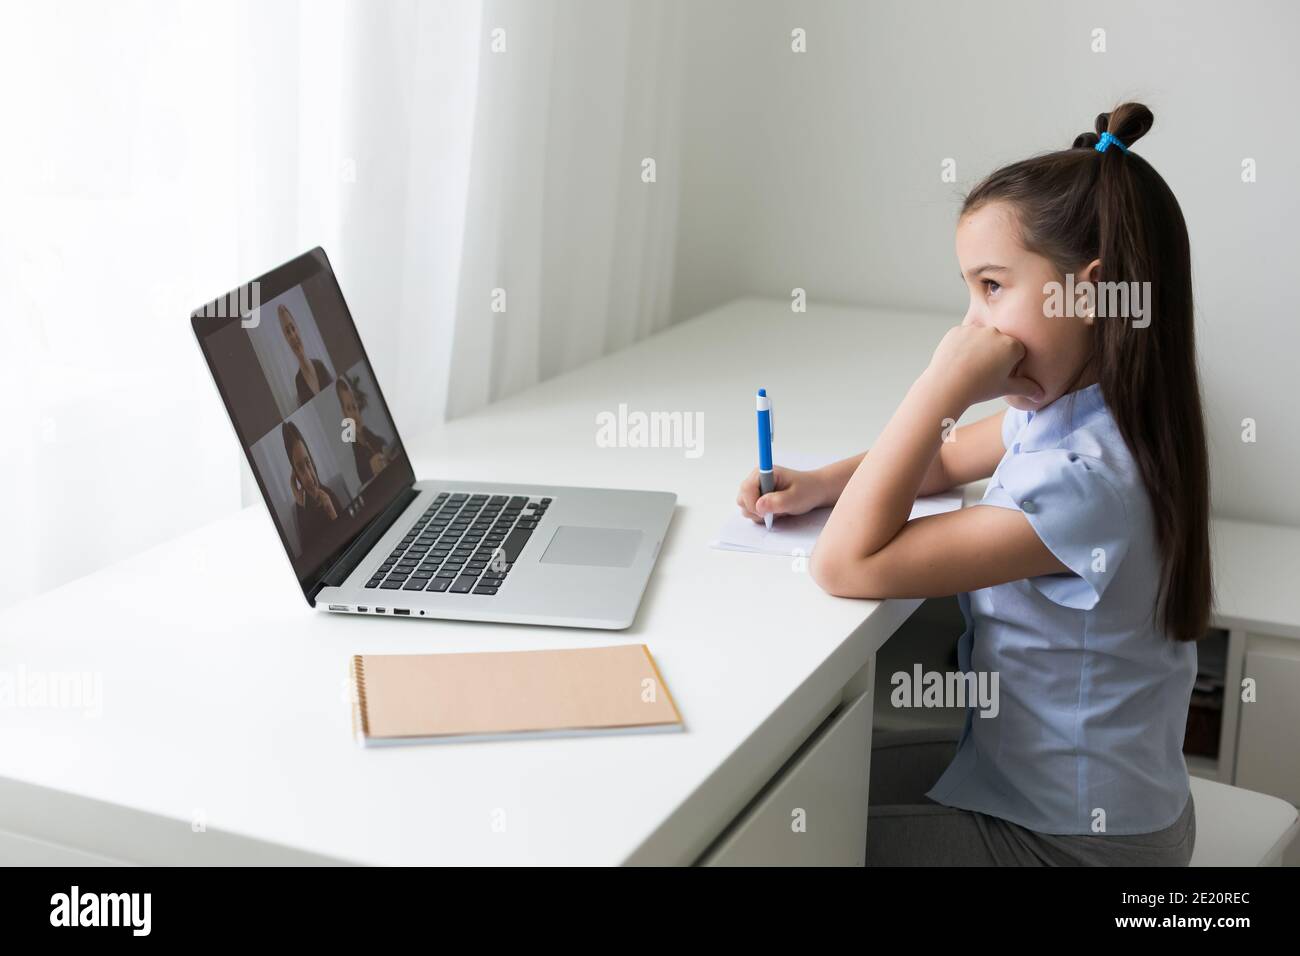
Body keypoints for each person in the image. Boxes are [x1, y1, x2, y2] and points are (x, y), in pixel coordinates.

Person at [736, 104, 1206, 866]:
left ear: (1088, 295)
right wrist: (821, 483)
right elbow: (945, 461)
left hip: (1074, 844)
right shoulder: (1079, 410)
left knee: (779, 844)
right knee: (784, 791)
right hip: (1029, 784)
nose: (972, 327)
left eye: (992, 287)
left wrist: (940, 384)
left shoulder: (1084, 483)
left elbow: (845, 567)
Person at [282, 420, 344, 550]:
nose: (309, 478)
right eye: (300, 468)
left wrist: (331, 511)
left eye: (307, 462)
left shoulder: (329, 494)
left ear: (312, 461)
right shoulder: (301, 508)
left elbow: (350, 537)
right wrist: (301, 506)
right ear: (296, 474)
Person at [335, 375, 392, 484]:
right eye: (348, 408)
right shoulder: (349, 455)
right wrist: (371, 469)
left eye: (355, 407)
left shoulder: (376, 437)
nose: (354, 415)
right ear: (344, 413)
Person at [278, 303, 333, 407]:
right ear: (286, 339)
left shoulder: (320, 365)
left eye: (293, 328)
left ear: (298, 329)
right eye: (288, 332)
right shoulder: (298, 381)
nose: (293, 336)